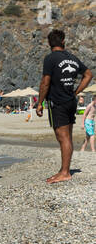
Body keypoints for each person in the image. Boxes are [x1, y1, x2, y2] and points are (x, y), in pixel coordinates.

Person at [35, 28, 92, 183]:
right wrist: (76, 92)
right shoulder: (72, 58)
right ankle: (64, 169)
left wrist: (39, 103)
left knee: (63, 138)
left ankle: (65, 172)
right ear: (63, 41)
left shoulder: (50, 58)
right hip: (70, 101)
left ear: (49, 43)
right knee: (68, 137)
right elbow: (88, 74)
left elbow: (45, 82)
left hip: (58, 102)